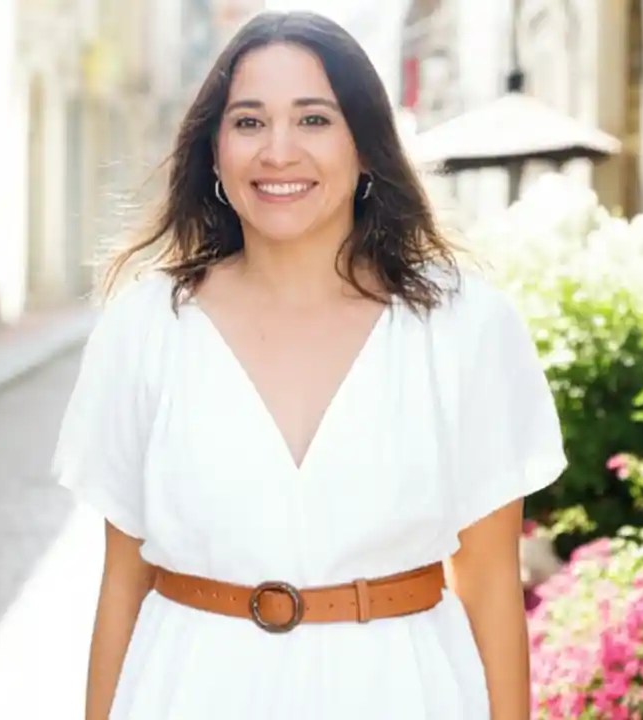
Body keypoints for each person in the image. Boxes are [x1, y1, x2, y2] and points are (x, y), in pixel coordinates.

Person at [51, 10, 567, 720]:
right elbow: (122, 582)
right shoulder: (146, 327)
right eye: (250, 121)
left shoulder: (464, 326)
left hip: (400, 695)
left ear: (366, 145)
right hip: (190, 693)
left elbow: (487, 581)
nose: (279, 151)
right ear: (213, 148)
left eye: (315, 120)